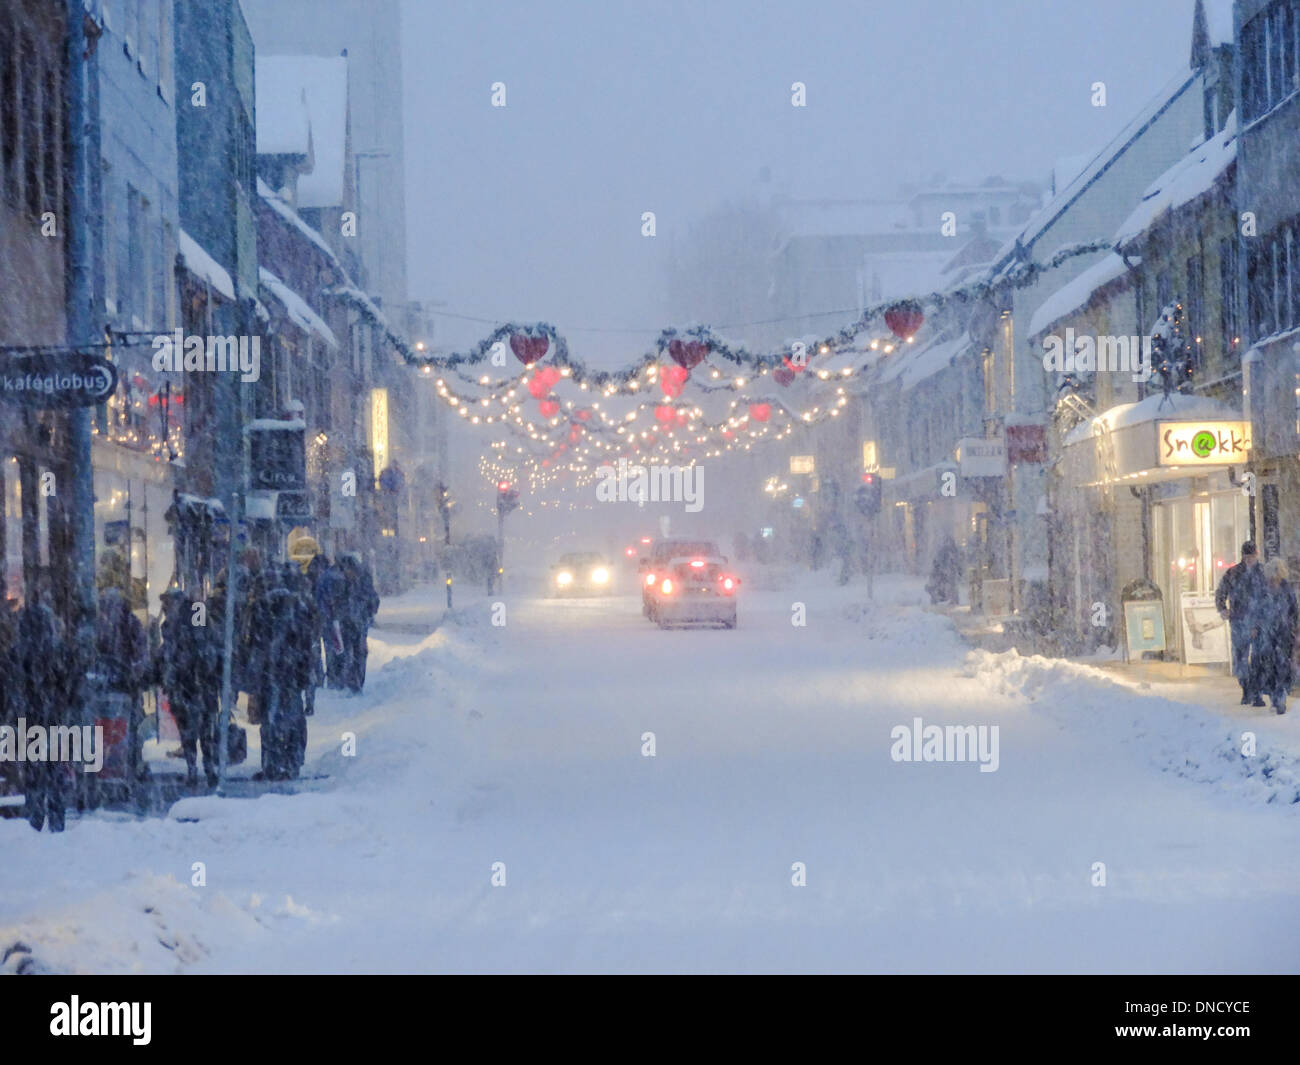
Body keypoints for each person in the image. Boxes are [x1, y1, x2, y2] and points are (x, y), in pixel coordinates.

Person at [15, 597, 71, 831]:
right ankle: (57, 823)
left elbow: (12, 687)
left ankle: (34, 822)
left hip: (28, 722)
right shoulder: (59, 650)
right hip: (56, 720)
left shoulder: (17, 652)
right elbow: (69, 685)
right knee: (56, 773)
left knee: (34, 776)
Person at [157, 587, 221, 788]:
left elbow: (201, 646)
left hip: (194, 682)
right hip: (190, 683)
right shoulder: (174, 621)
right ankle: (200, 769)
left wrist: (182, 669)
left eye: (167, 602)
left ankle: (202, 769)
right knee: (197, 729)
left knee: (198, 729)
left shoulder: (192, 614)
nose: (165, 606)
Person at [1216, 540, 1267, 705]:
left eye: (1251, 556)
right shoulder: (1234, 573)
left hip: (1257, 623)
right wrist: (1222, 608)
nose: (1249, 559)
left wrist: (1258, 622)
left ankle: (1256, 692)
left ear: (1256, 555)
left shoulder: (1262, 573)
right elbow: (1221, 592)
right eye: (1247, 556)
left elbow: (1267, 599)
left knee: (1257, 658)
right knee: (1241, 658)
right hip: (1239, 621)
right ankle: (1247, 688)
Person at [1248, 558, 1298, 714]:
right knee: (1269, 666)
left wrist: (1294, 628)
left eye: (1277, 574)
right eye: (1272, 574)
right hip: (1267, 634)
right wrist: (1255, 626)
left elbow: (1294, 611)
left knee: (1282, 666)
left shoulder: (1286, 590)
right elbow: (1255, 610)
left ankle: (1280, 695)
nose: (1274, 578)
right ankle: (1275, 695)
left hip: (1283, 633)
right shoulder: (1263, 591)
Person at [337, 553, 379, 693]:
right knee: (348, 653)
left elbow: (373, 600)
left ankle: (356, 682)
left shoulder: (362, 585)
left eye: (348, 570)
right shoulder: (343, 584)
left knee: (358, 653)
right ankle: (350, 681)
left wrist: (366, 614)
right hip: (347, 623)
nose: (347, 573)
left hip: (359, 624)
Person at [927, 536, 963, 605]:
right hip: (946, 573)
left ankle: (951, 601)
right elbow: (957, 562)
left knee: (948, 587)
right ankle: (953, 601)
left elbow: (936, 563)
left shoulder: (945, 551)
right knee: (949, 587)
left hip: (945, 573)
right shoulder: (951, 551)